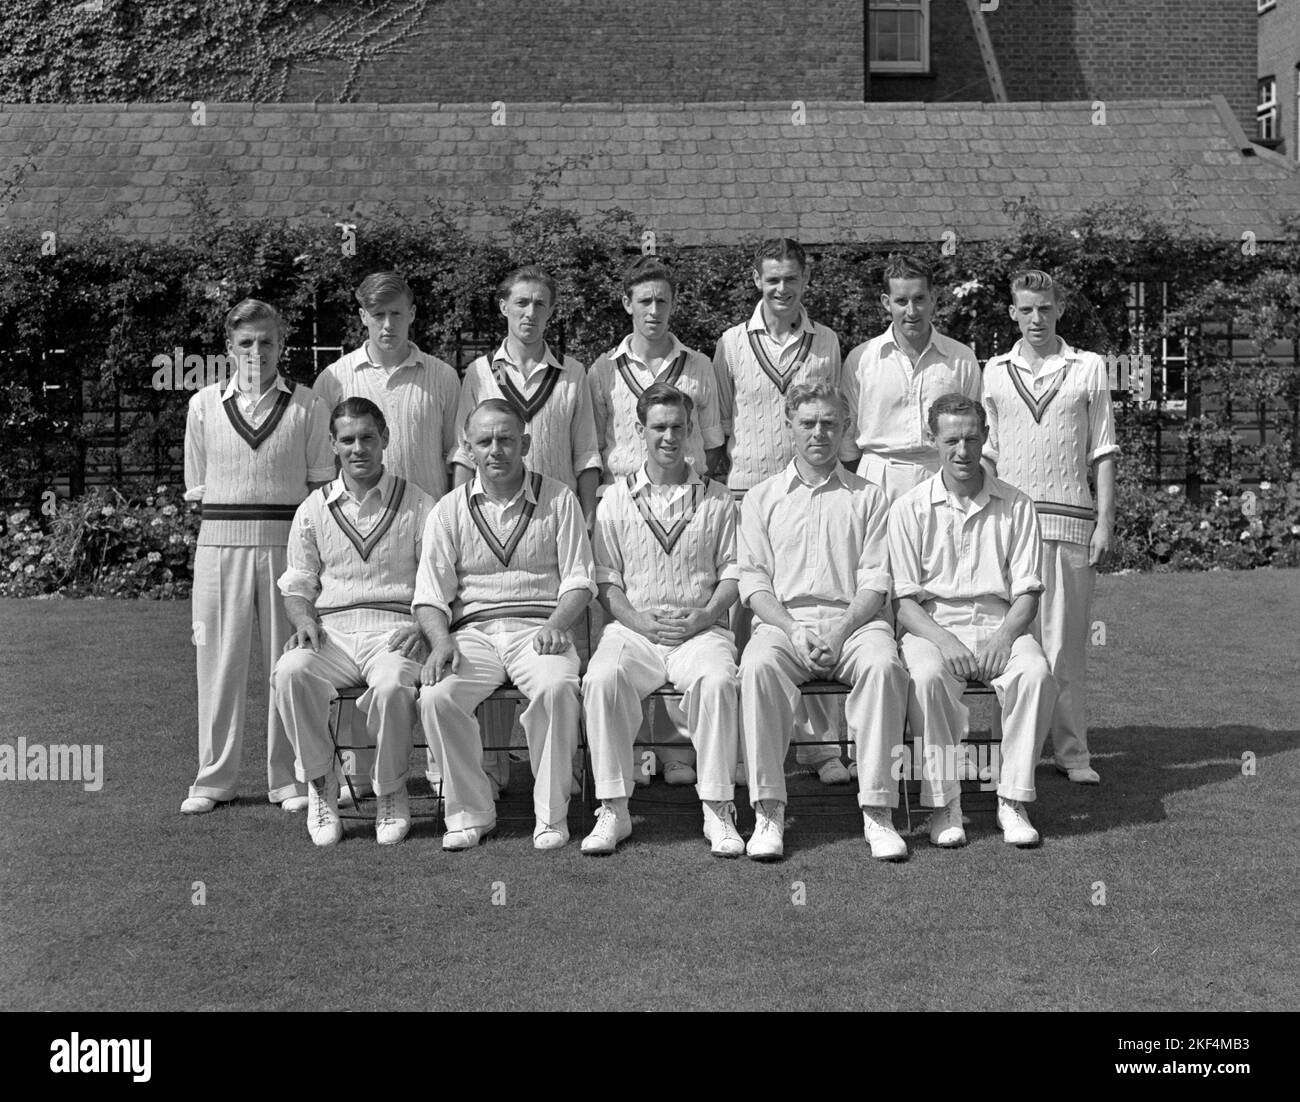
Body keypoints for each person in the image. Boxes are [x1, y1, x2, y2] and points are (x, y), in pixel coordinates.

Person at [738, 383, 909, 861]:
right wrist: (794, 629)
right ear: (789, 426)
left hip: (855, 623)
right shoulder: (761, 497)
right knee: (757, 667)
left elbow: (877, 583)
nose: (819, 432)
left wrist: (838, 631)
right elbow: (754, 586)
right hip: (783, 624)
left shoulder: (870, 497)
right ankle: (768, 811)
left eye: (830, 423)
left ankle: (878, 812)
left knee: (883, 667)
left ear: (845, 428)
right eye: (808, 423)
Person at [415, 399, 595, 851]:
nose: (496, 449)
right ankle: (471, 812)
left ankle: (550, 815)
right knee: (438, 695)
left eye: (506, 439)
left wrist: (558, 622)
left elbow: (579, 579)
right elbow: (430, 596)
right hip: (473, 634)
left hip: (539, 630)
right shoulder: (448, 509)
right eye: (485, 441)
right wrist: (439, 642)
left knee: (557, 688)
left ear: (526, 443)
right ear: (468, 448)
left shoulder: (559, 498)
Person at [181, 298, 334, 815]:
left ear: (281, 345)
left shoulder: (310, 405)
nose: (256, 351)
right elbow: (199, 488)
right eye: (245, 342)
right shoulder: (202, 405)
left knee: (286, 663)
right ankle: (213, 779)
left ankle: (288, 780)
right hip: (218, 548)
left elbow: (319, 491)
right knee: (218, 664)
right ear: (229, 347)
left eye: (266, 341)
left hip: (287, 550)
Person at [313, 271, 461, 801]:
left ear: (412, 313)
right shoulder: (333, 379)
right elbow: (323, 465)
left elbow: (457, 458)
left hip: (429, 537)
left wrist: (460, 530)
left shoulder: (442, 376)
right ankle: (355, 773)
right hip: (360, 536)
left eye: (397, 313)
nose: (388, 324)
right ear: (361, 317)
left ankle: (443, 772)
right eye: (377, 315)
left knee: (432, 654)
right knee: (357, 656)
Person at [888, 393, 1059, 848]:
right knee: (925, 676)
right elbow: (903, 602)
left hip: (1002, 621)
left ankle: (1013, 798)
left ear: (985, 437)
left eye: (970, 438)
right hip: (932, 623)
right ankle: (945, 804)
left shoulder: (1017, 504)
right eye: (951, 440)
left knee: (1036, 673)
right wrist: (944, 641)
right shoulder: (908, 508)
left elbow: (1027, 593)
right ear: (933, 441)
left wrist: (1004, 637)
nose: (962, 451)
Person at [581, 383, 743, 857]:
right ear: (640, 431)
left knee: (717, 680)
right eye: (658, 427)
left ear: (690, 430)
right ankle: (614, 807)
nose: (669, 437)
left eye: (677, 427)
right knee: (603, 677)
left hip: (701, 630)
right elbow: (606, 580)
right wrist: (636, 620)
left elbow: (733, 573)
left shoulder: (717, 499)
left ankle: (717, 807)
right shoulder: (614, 499)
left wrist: (706, 615)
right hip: (635, 631)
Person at [713, 237, 851, 785]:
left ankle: (819, 748)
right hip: (750, 491)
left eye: (791, 278)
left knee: (817, 604)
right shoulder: (730, 343)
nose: (782, 288)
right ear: (756, 280)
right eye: (772, 278)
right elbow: (721, 422)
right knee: (747, 619)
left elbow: (832, 416)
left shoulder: (828, 341)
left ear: (805, 281)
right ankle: (751, 748)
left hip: (813, 488)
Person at [271, 398, 433, 847]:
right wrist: (302, 618)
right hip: (333, 633)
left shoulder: (419, 503)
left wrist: (423, 628)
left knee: (393, 685)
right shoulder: (313, 508)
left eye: (367, 437)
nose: (357, 448)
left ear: (385, 440)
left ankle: (391, 790)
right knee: (290, 671)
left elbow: (438, 581)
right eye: (347, 439)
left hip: (396, 630)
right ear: (333, 445)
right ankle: (322, 784)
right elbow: (298, 582)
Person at [983, 270, 1118, 785]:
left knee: (1064, 647)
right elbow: (988, 455)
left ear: (1058, 308)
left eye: (1044, 308)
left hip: (1072, 525)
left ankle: (1072, 752)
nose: (1035, 319)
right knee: (1013, 646)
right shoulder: (993, 371)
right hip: (1011, 530)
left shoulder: (1088, 368)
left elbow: (1102, 451)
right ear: (1012, 313)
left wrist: (1104, 523)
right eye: (1025, 310)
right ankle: (1009, 754)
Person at [452, 266, 601, 526]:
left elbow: (586, 454)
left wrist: (589, 517)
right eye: (521, 302)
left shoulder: (572, 373)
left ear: (551, 312)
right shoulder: (480, 372)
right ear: (504, 307)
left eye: (540, 304)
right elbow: (465, 452)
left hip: (557, 515)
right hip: (491, 515)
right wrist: (459, 514)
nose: (531, 313)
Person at [841, 255, 982, 502]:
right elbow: (846, 435)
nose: (911, 311)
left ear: (933, 299)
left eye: (919, 299)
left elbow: (974, 429)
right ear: (886, 303)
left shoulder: (961, 358)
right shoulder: (861, 359)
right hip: (876, 479)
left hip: (941, 474)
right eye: (901, 301)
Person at [588, 256, 724, 483]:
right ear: (627, 303)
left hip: (688, 499)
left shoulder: (700, 365)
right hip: (624, 502)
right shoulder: (603, 370)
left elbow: (713, 442)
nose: (654, 311)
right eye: (645, 301)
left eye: (661, 301)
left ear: (673, 303)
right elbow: (592, 447)